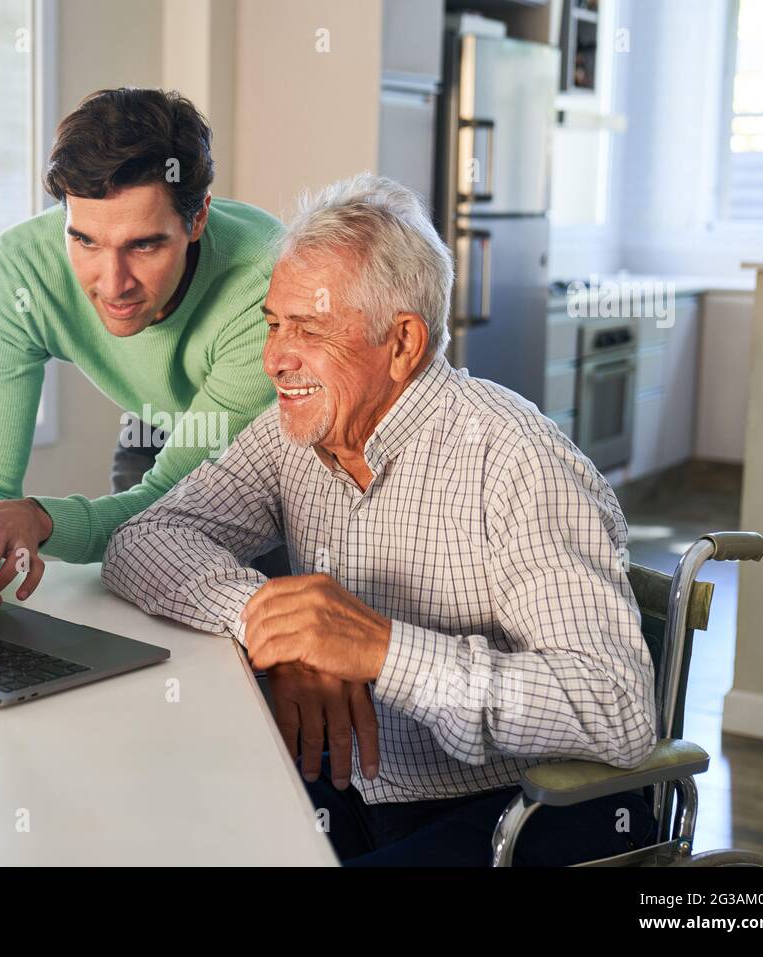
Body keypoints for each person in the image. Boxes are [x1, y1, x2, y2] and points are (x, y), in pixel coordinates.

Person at [102, 173, 658, 866]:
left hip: (516, 807)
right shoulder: (293, 434)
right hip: (352, 784)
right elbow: (143, 540)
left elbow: (619, 712)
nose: (275, 357)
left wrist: (383, 653)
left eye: (308, 329)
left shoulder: (517, 461)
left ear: (401, 343)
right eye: (273, 323)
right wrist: (277, 624)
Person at [0, 87, 286, 608]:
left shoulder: (264, 281)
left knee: (263, 633)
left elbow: (168, 505)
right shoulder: (20, 272)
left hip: (269, 460)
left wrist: (41, 519)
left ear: (197, 219)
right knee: (136, 600)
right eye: (85, 241)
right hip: (150, 425)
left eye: (143, 245)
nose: (113, 282)